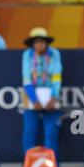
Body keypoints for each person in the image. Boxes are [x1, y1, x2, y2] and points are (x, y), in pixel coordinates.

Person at [21, 27, 63, 156]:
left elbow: (56, 76)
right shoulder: (27, 55)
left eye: (42, 41)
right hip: (32, 96)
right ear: (32, 44)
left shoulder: (54, 54)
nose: (39, 44)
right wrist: (34, 100)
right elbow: (26, 80)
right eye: (36, 42)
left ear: (46, 43)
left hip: (51, 96)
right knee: (30, 133)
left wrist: (54, 97)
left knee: (51, 133)